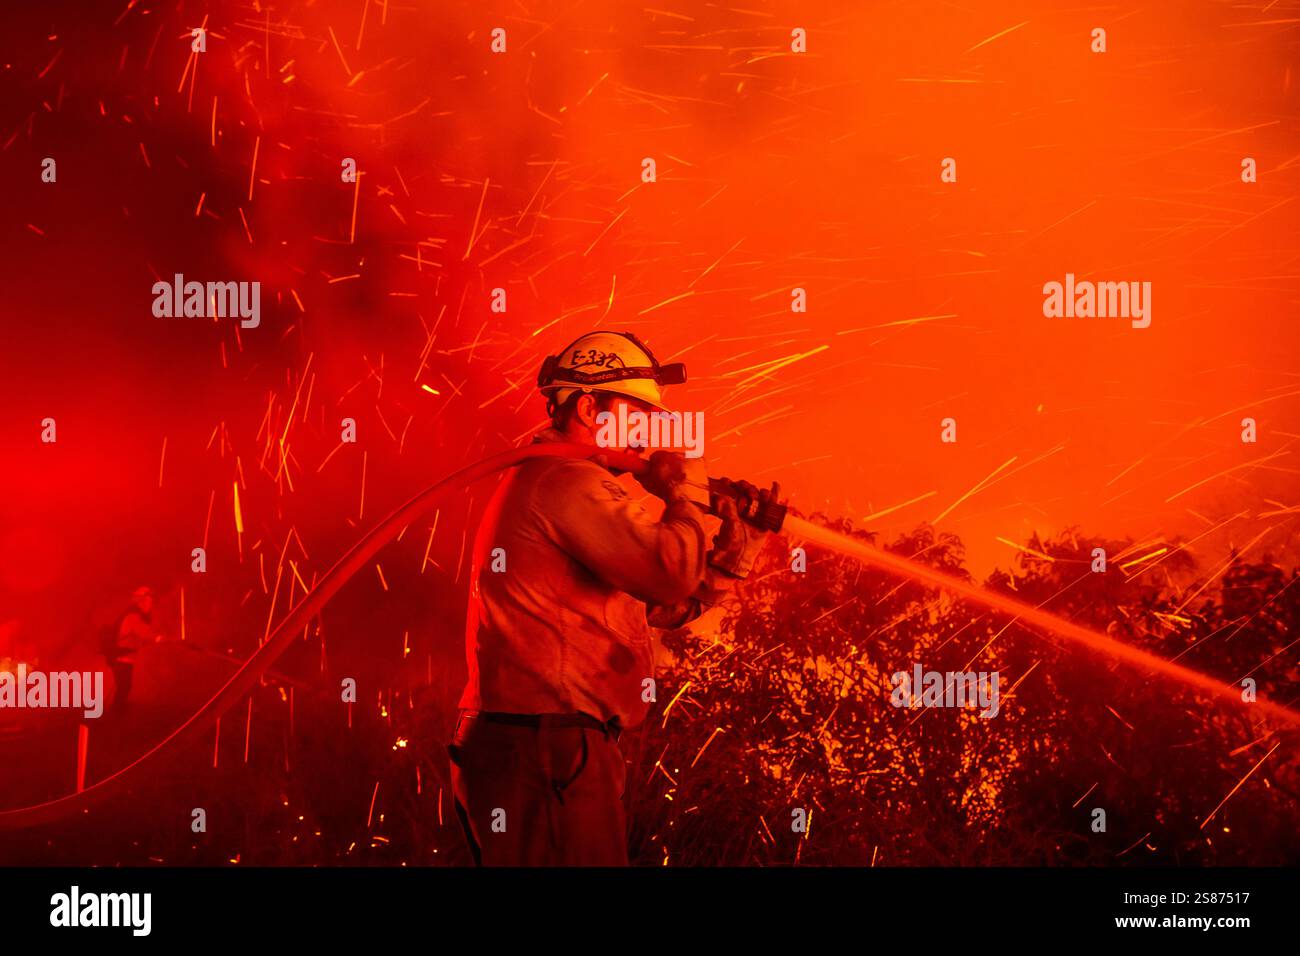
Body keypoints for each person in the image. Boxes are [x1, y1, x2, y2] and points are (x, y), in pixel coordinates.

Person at [450, 331, 771, 865]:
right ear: (586, 405)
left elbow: (667, 603)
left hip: (545, 747)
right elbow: (667, 574)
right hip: (543, 747)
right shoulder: (565, 481)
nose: (650, 432)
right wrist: (686, 493)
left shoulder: (574, 486)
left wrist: (741, 543)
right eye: (638, 412)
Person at [103, 586, 156, 717]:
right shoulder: (133, 616)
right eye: (148, 602)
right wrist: (160, 638)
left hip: (122, 657)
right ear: (141, 602)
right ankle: (116, 717)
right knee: (124, 688)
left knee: (123, 687)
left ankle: (116, 715)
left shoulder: (133, 615)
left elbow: (139, 638)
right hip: (121, 658)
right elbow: (146, 634)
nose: (150, 605)